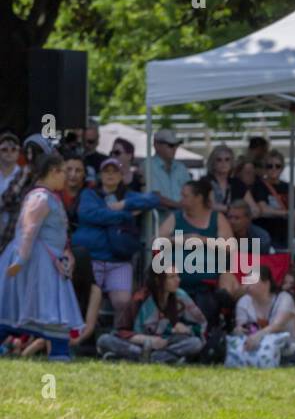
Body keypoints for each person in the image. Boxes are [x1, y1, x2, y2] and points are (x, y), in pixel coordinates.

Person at [0, 153, 84, 359]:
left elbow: (57, 233)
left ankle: (60, 353)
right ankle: (59, 353)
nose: (68, 177)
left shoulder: (49, 196)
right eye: (64, 171)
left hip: (49, 262)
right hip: (36, 263)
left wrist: (66, 253)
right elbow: (28, 231)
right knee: (39, 308)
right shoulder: (40, 197)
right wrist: (20, 260)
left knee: (51, 310)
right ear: (54, 171)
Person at [71, 157, 160, 337]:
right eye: (106, 171)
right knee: (85, 299)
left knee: (123, 301)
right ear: (100, 175)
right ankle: (83, 337)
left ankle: (119, 337)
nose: (110, 175)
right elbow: (89, 215)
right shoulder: (89, 194)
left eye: (115, 172)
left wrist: (125, 204)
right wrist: (124, 215)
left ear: (122, 176)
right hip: (91, 259)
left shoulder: (128, 195)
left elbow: (153, 199)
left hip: (118, 260)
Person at [155, 178, 237, 329]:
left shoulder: (216, 218)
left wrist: (202, 240)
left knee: (205, 314)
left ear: (198, 198)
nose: (181, 199)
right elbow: (159, 241)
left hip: (206, 283)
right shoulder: (176, 217)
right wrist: (181, 240)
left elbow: (230, 246)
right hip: (177, 282)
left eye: (185, 196)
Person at [97, 264, 206, 363]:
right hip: (141, 344)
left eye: (177, 276)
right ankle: (158, 358)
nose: (178, 280)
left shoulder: (181, 296)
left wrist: (186, 329)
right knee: (104, 340)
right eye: (172, 277)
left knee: (195, 343)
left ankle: (149, 358)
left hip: (168, 343)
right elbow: (121, 331)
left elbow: (201, 325)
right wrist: (148, 340)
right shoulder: (140, 298)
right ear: (158, 280)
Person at [226, 266, 295, 368]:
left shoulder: (284, 299)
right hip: (253, 349)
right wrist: (239, 331)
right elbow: (242, 327)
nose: (247, 285)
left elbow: (277, 326)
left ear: (266, 283)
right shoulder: (244, 302)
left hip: (285, 351)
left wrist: (258, 336)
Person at [251, 149, 291, 249]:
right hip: (264, 234)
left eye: (277, 166)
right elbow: (263, 210)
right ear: (265, 168)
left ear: (282, 168)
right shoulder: (258, 186)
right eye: (270, 166)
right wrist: (287, 213)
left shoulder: (288, 187)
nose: (274, 169)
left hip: (285, 234)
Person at [145, 128, 191, 212]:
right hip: (159, 221)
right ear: (156, 145)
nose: (174, 148)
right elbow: (155, 197)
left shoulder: (181, 167)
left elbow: (191, 193)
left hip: (183, 218)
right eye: (170, 145)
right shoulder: (147, 166)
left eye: (176, 145)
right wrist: (180, 206)